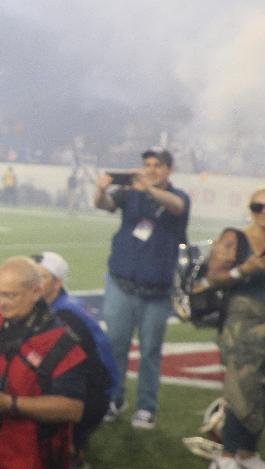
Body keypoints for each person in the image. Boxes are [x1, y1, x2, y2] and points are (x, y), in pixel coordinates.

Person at [0, 257, 87, 469]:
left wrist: (9, 404)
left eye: (11, 295)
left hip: (32, 454)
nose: (2, 302)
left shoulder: (62, 343)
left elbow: (73, 408)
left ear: (36, 292)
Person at [93, 147, 189, 429]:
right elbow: (105, 205)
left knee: (150, 350)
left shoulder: (177, 196)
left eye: (158, 165)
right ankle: (114, 398)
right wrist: (100, 191)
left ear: (169, 170)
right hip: (122, 283)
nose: (151, 169)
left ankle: (146, 406)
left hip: (157, 290)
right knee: (116, 345)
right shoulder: (130, 193)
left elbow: (177, 206)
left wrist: (149, 190)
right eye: (147, 164)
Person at [31, 252, 119, 468]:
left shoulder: (63, 317)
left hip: (91, 396)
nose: (34, 283)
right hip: (98, 390)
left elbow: (82, 370)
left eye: (41, 277)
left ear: (58, 282)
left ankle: (72, 454)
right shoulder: (65, 305)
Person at [203, 188, 265, 469]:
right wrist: (244, 270)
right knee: (242, 389)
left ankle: (247, 454)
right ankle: (226, 455)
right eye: (257, 206)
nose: (262, 212)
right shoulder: (236, 238)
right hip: (243, 323)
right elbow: (213, 278)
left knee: (261, 392)